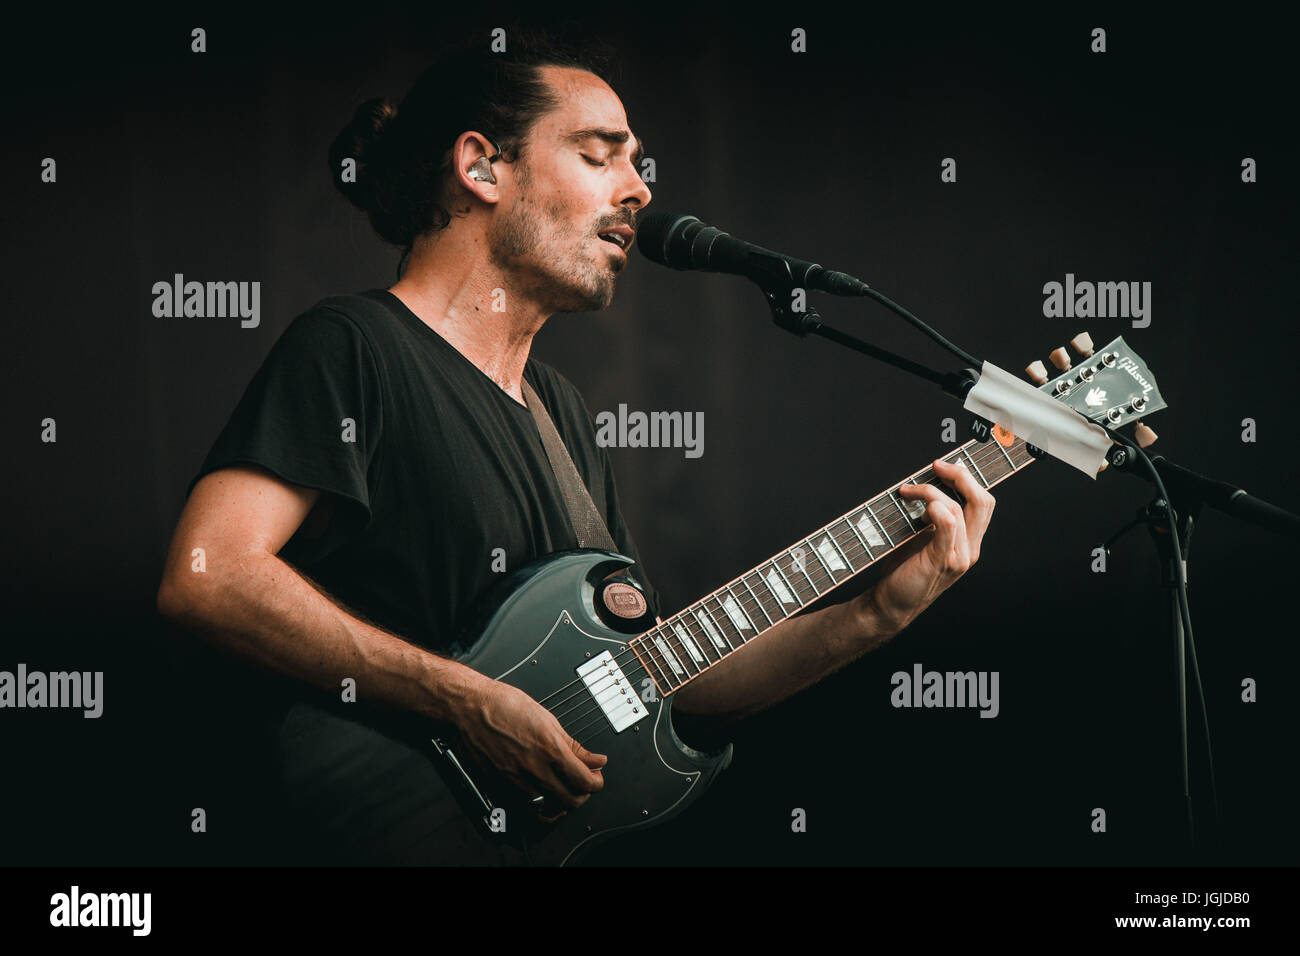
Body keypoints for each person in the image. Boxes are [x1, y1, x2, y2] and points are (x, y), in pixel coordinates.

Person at [156, 33, 996, 865]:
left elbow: (659, 678)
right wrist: (463, 701)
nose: (638, 190)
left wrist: (876, 612)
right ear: (482, 167)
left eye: (636, 164)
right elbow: (211, 577)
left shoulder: (559, 411)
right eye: (601, 156)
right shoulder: (353, 346)